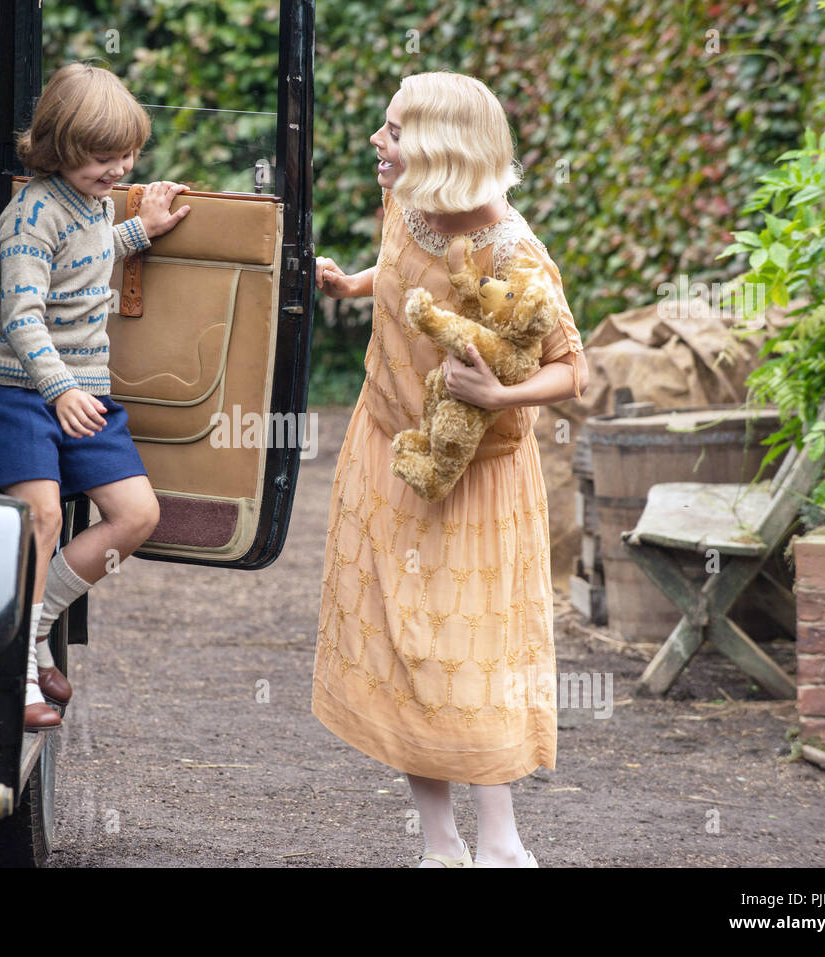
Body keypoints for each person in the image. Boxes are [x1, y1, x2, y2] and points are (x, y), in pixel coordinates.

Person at [310, 71, 589, 867]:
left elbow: (573, 371)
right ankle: (440, 846)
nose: (377, 140)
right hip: (387, 448)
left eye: (394, 130)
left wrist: (501, 389)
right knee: (402, 646)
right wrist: (353, 283)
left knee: (467, 655)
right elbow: (401, 274)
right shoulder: (406, 203)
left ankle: (500, 843)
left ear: (441, 146)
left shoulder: (508, 246)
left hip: (474, 477)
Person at [0, 62, 191, 729]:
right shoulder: (28, 214)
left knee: (136, 514)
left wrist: (143, 229)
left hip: (82, 390)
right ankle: (17, 669)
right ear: (58, 149)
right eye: (102, 160)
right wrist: (55, 391)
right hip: (22, 389)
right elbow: (21, 315)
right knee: (42, 521)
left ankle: (37, 622)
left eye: (128, 155)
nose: (119, 169)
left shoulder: (94, 203)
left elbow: (88, 255)